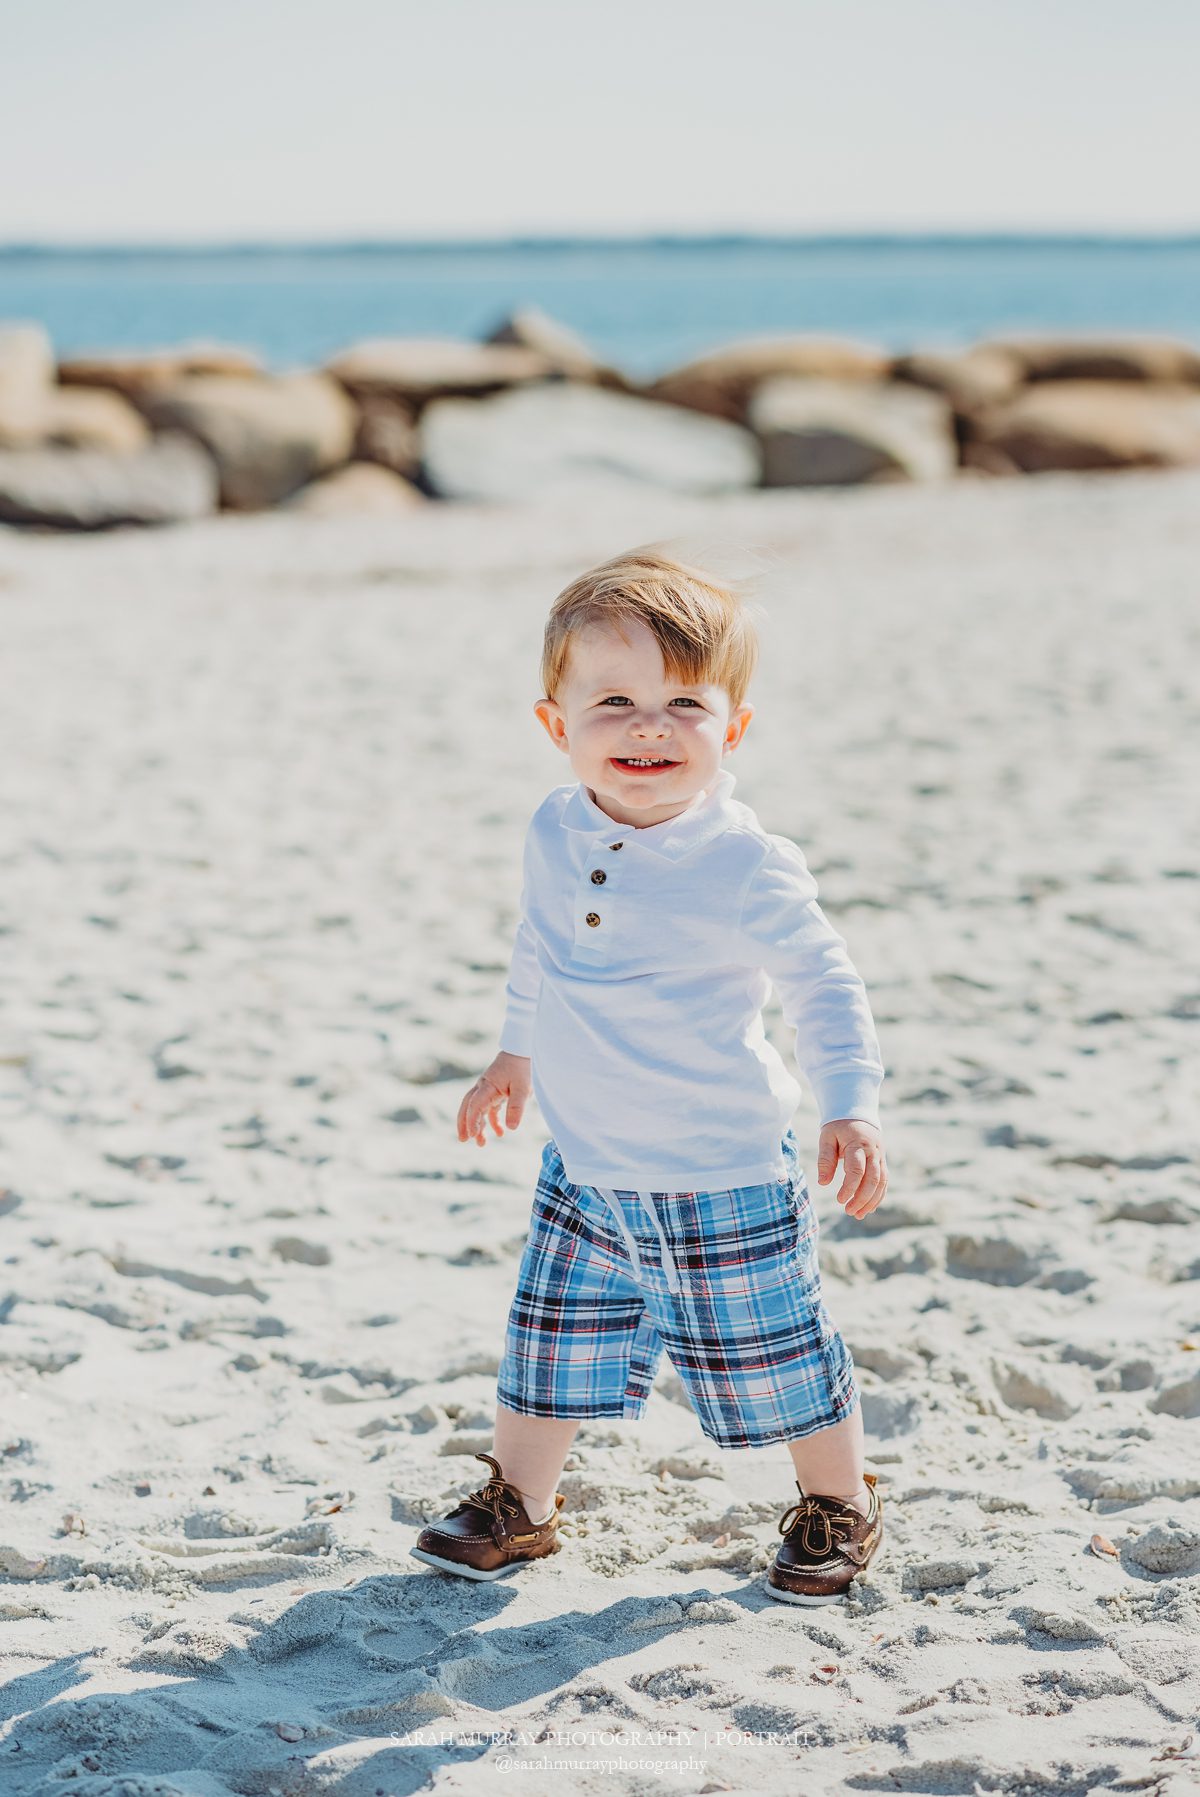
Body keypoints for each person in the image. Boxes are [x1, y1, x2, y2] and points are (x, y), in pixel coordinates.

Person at [411, 546, 889, 1604]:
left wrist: (848, 1105)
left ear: (735, 729)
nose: (648, 727)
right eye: (615, 700)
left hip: (718, 1165)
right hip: (586, 1161)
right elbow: (540, 944)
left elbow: (824, 982)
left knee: (777, 1350)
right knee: (549, 1344)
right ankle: (521, 1506)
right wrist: (514, 1053)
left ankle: (836, 1504)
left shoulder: (742, 862)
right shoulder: (553, 826)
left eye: (685, 703)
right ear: (556, 724)